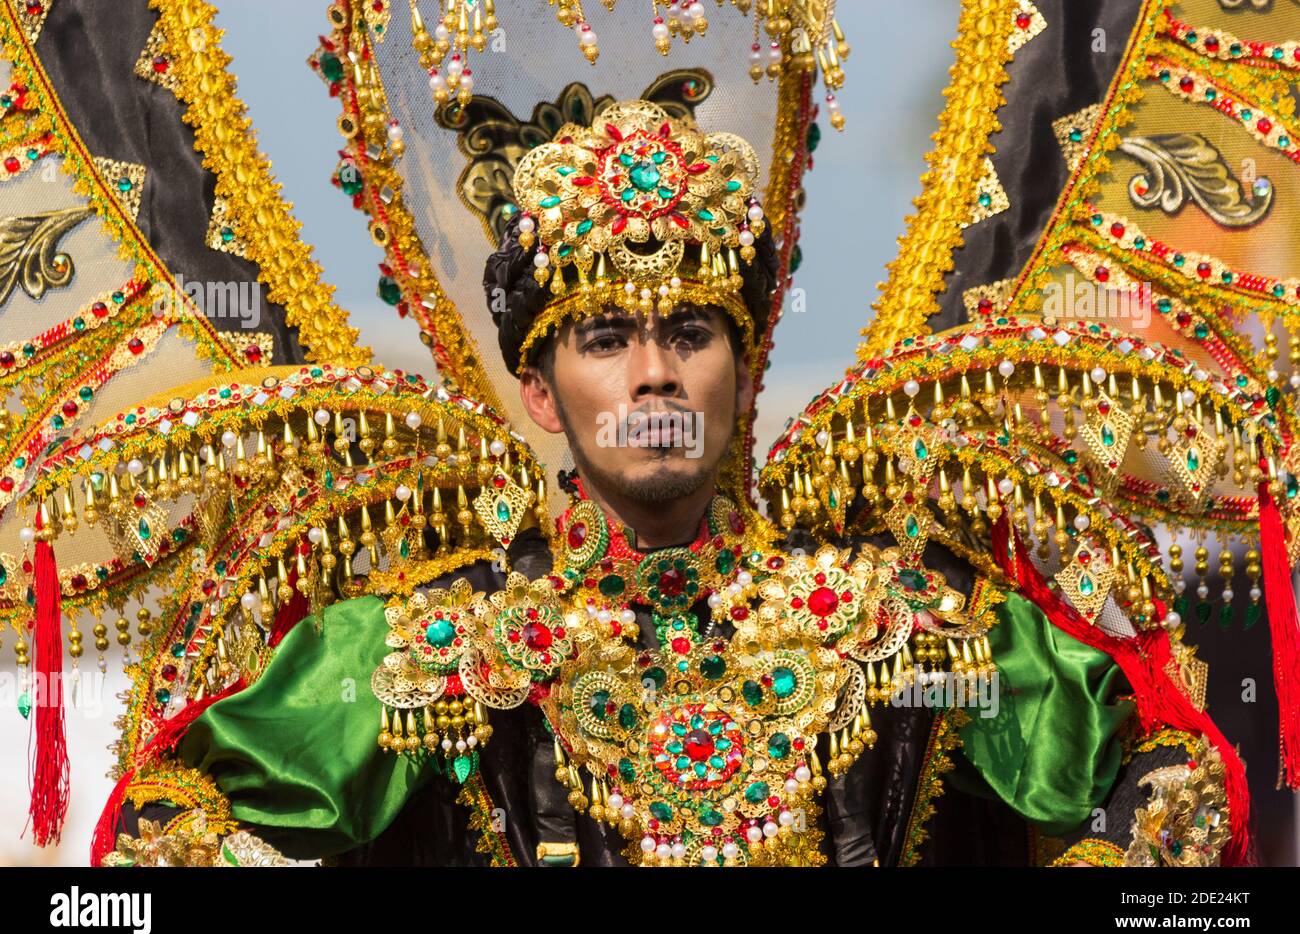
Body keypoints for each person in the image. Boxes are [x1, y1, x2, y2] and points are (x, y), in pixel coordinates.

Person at [97, 102, 1236, 868]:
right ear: (541, 392)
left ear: (740, 372)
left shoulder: (905, 616)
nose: (652, 371)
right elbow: (158, 830)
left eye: (690, 330)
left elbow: (1170, 771)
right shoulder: (425, 639)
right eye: (601, 336)